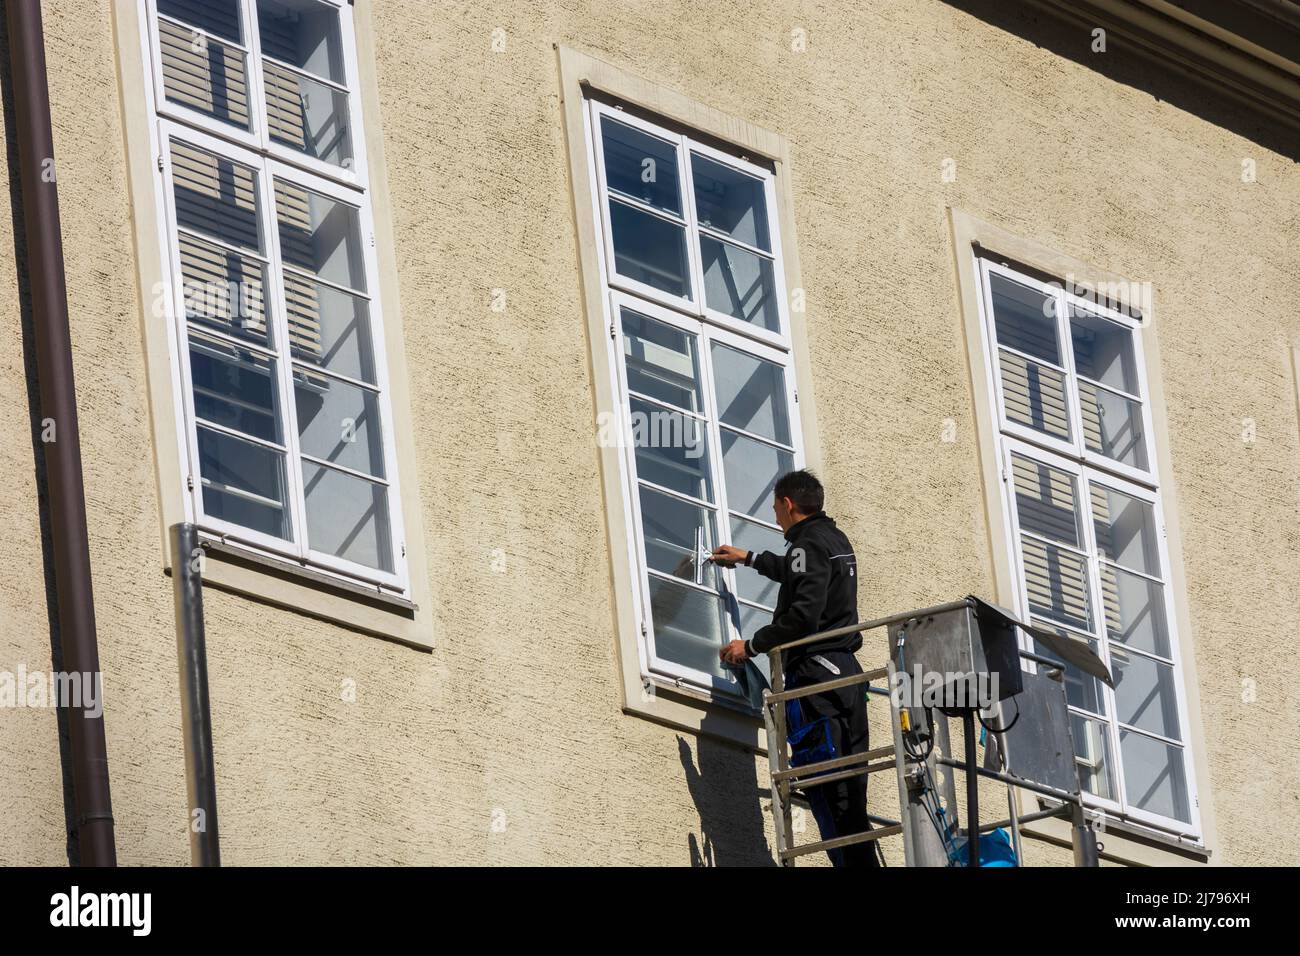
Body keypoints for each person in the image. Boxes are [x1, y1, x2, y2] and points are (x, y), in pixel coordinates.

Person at [712, 469, 880, 867]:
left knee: (829, 790)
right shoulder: (834, 539)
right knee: (850, 793)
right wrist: (749, 558)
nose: (774, 518)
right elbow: (802, 573)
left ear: (788, 505)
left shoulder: (807, 543)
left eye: (775, 509)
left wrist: (751, 645)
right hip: (845, 678)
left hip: (817, 680)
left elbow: (803, 616)